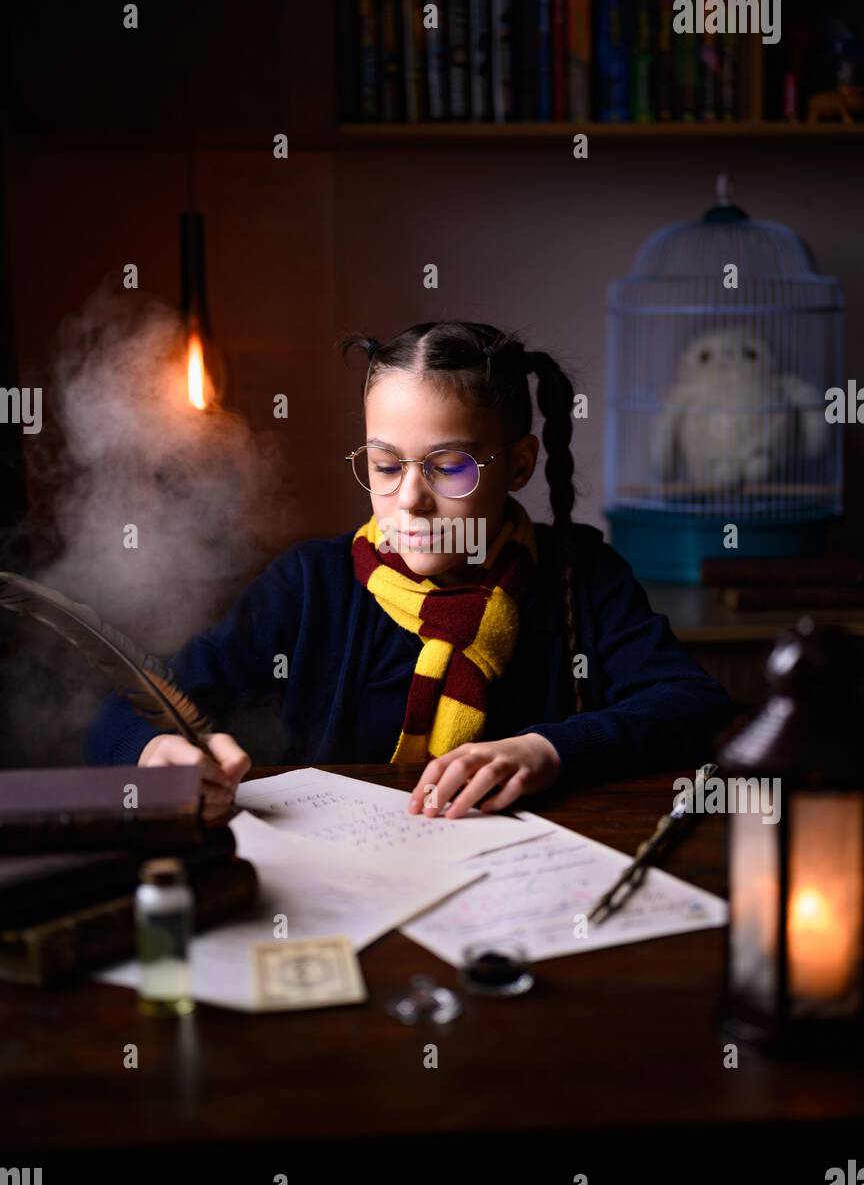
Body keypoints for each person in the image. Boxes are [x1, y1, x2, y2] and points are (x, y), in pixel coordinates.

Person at [85, 320, 738, 824]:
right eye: (386, 465)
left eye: (449, 466)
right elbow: (132, 704)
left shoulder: (581, 575)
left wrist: (547, 750)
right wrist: (154, 752)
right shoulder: (310, 586)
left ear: (518, 465)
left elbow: (692, 705)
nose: (410, 500)